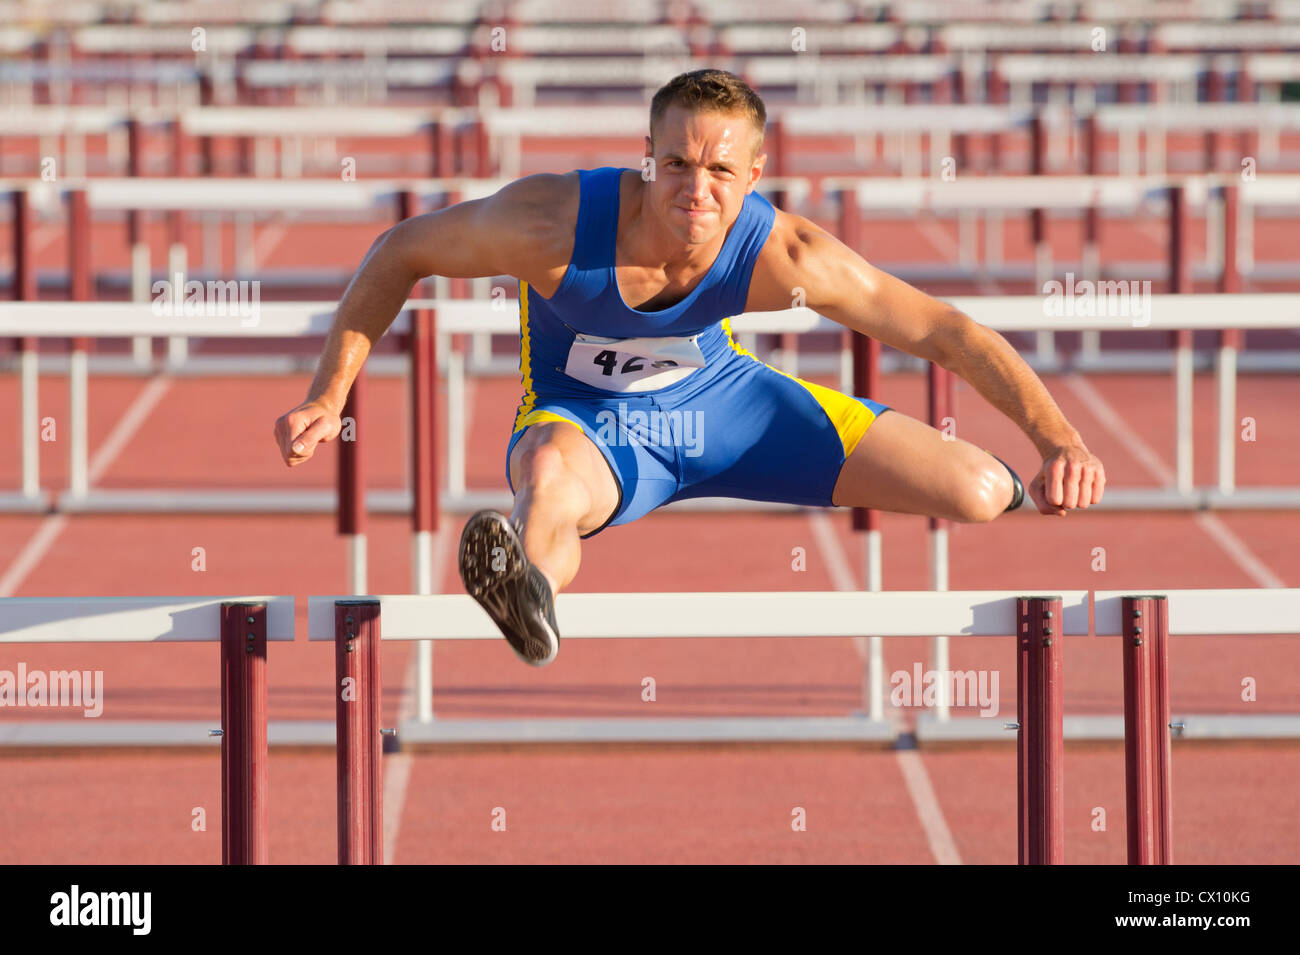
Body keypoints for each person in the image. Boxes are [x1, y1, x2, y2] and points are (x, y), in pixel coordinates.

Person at [274, 69, 1106, 668]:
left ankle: (1013, 480)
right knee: (551, 488)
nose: (695, 189)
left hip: (729, 409)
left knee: (980, 495)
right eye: (676, 163)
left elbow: (944, 329)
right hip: (590, 421)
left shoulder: (784, 253)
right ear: (648, 158)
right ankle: (528, 592)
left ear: (754, 175)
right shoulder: (554, 223)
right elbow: (402, 251)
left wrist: (1057, 437)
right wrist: (327, 393)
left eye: (718, 170)